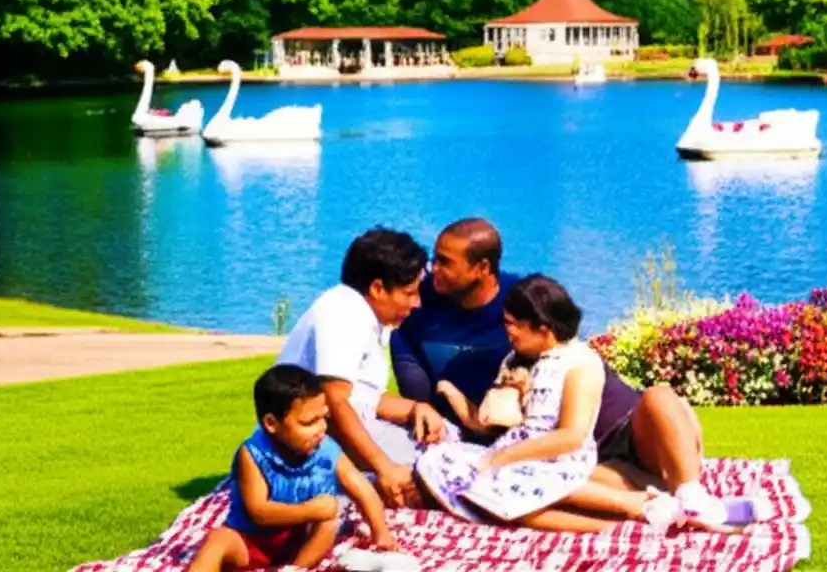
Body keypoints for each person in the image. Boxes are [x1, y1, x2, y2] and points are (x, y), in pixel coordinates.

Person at [392, 219, 767, 528]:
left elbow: (569, 411)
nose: (431, 271)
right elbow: (459, 409)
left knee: (660, 396)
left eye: (443, 262)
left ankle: (691, 494)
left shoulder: (531, 308)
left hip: (621, 430)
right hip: (580, 460)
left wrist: (502, 455)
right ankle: (677, 507)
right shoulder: (421, 314)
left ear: (482, 269)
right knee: (535, 485)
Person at [414, 275, 664, 532]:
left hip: (559, 457)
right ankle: (613, 526)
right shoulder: (518, 359)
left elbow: (571, 437)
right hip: (523, 451)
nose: (507, 331)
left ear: (542, 329)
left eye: (512, 324)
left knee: (494, 485)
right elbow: (487, 421)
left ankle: (627, 506)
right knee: (451, 464)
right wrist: (451, 392)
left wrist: (505, 457)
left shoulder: (579, 362)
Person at [275, 226, 453, 510]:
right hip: (314, 442)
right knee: (441, 474)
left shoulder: (361, 313)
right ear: (378, 288)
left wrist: (415, 408)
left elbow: (360, 395)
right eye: (409, 293)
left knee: (450, 444)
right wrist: (385, 468)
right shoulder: (344, 315)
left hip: (343, 432)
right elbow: (334, 399)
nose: (417, 303)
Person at [188, 365, 397, 571]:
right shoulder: (253, 455)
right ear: (271, 423)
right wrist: (309, 510)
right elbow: (259, 512)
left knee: (327, 521)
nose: (321, 429)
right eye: (309, 422)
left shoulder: (327, 450)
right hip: (250, 541)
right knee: (217, 539)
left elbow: (362, 489)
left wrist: (381, 532)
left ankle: (295, 569)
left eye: (324, 418)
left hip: (300, 545)